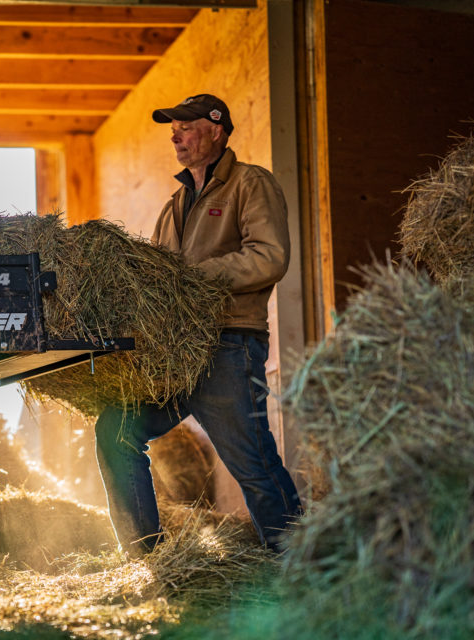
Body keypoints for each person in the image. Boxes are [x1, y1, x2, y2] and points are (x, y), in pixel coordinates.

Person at [95, 93, 302, 554]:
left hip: (229, 344)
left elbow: (271, 257)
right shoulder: (174, 204)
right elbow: (156, 280)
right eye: (172, 128)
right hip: (177, 354)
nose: (175, 135)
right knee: (116, 430)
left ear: (216, 130)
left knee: (252, 463)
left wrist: (195, 279)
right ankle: (148, 558)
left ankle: (300, 565)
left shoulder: (250, 184)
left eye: (185, 126)